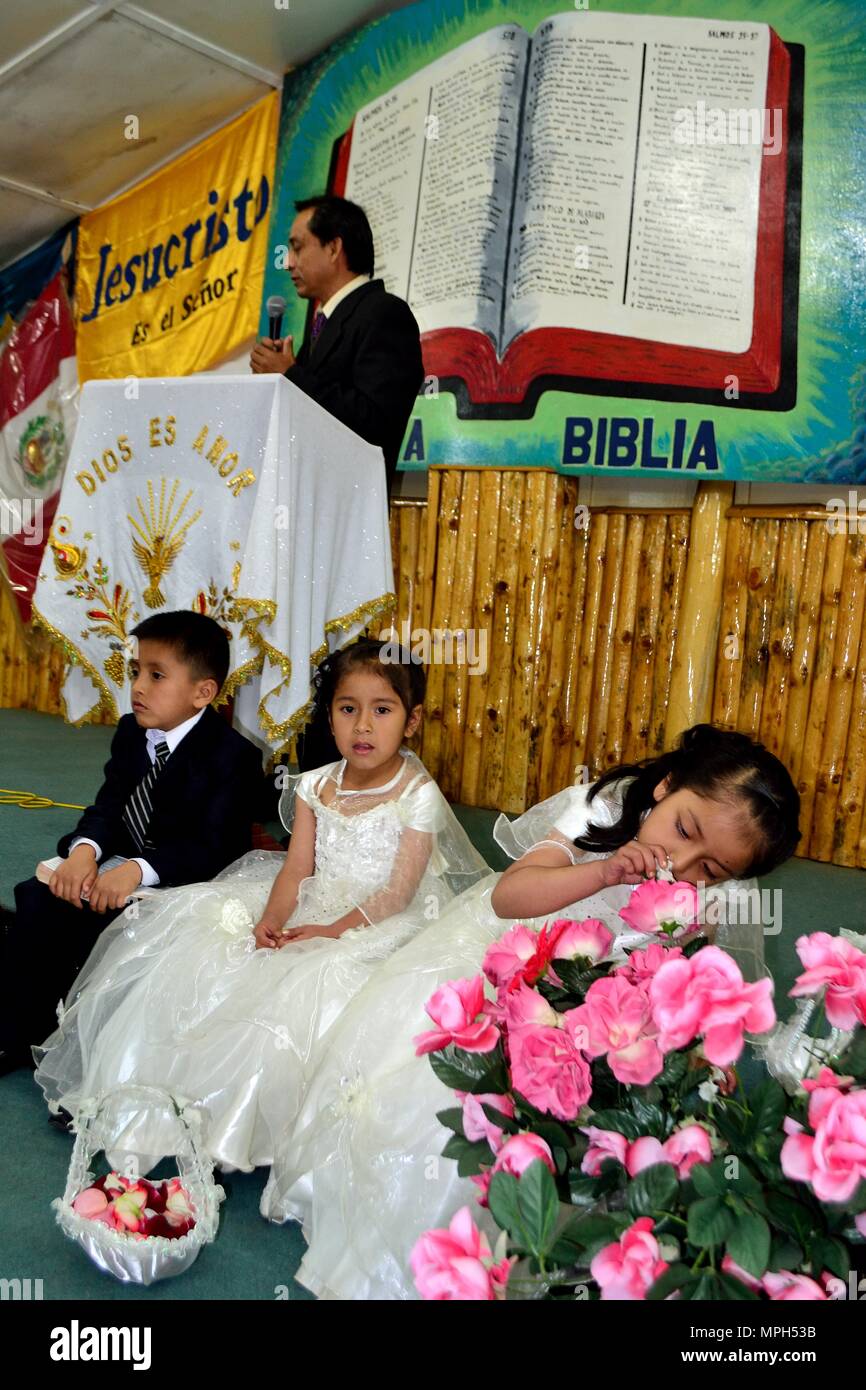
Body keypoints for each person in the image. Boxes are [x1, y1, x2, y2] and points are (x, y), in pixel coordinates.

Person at [261, 724, 801, 1300]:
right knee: (432, 1088)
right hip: (502, 958)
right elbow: (507, 896)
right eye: (684, 830)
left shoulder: (705, 900)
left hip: (586, 1017)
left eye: (711, 869)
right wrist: (604, 870)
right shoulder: (601, 810)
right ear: (666, 787)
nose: (681, 862)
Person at [33, 639, 487, 1177]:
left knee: (310, 987)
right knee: (209, 953)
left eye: (381, 710)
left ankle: (238, 1124)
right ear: (331, 717)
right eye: (348, 710)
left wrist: (330, 931)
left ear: (410, 722)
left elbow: (397, 892)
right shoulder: (315, 785)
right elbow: (296, 870)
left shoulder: (417, 792)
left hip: (374, 919)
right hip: (311, 898)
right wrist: (272, 919)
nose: (363, 726)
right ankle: (155, 1096)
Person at [0, 610, 263, 1076]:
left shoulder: (234, 758)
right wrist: (85, 852)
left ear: (203, 692)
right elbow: (108, 807)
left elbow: (213, 848)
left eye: (156, 675)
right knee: (42, 899)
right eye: (136, 671)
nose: (138, 686)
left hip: (183, 884)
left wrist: (138, 870)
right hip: (121, 868)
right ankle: (22, 1033)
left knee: (119, 936)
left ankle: (93, 1062)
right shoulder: (130, 732)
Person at [249, 195, 424, 496]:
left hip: (349, 513)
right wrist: (278, 380)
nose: (288, 261)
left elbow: (374, 423)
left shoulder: (384, 313)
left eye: (298, 247)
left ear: (333, 248)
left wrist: (292, 375)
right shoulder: (324, 323)